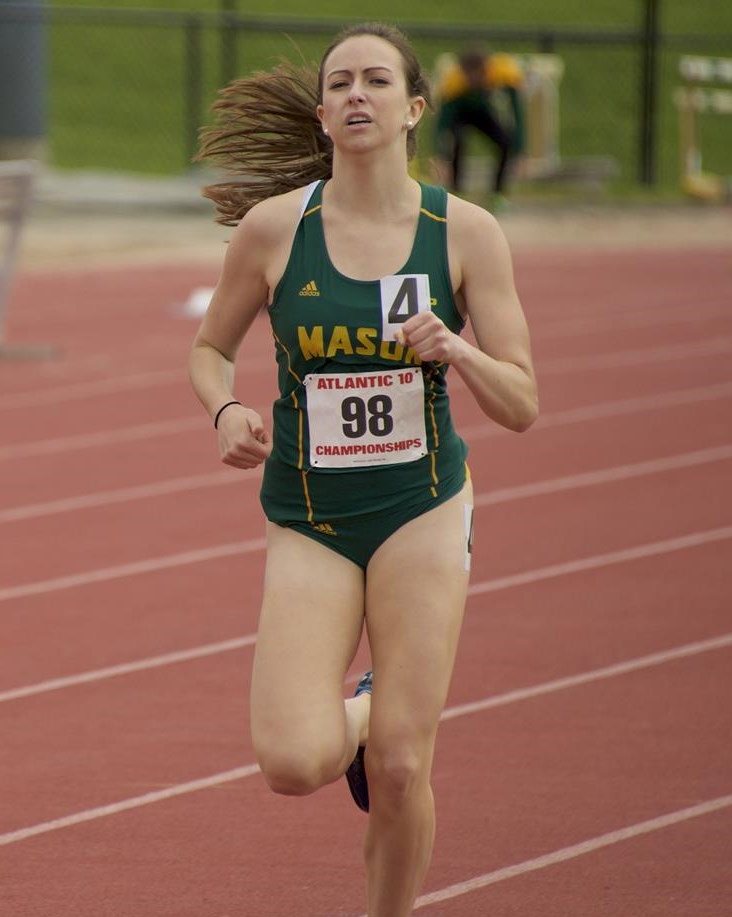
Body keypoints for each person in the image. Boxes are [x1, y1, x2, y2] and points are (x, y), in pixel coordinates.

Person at [188, 23, 537, 917]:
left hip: (420, 505)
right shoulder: (275, 230)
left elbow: (521, 403)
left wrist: (453, 346)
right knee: (292, 761)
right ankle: (364, 710)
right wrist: (225, 408)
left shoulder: (464, 233)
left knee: (402, 762)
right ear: (321, 114)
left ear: (413, 107)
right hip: (308, 512)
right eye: (339, 82)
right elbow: (207, 348)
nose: (355, 94)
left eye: (375, 80)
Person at [434, 46, 527, 209]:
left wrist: (519, 149)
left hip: (482, 111)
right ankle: (456, 191)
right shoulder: (454, 82)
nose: (473, 80)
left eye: (477, 75)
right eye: (469, 76)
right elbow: (443, 123)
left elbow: (517, 112)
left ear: (486, 70)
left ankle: (497, 193)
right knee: (458, 140)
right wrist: (440, 155)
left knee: (504, 142)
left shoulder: (502, 72)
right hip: (460, 112)